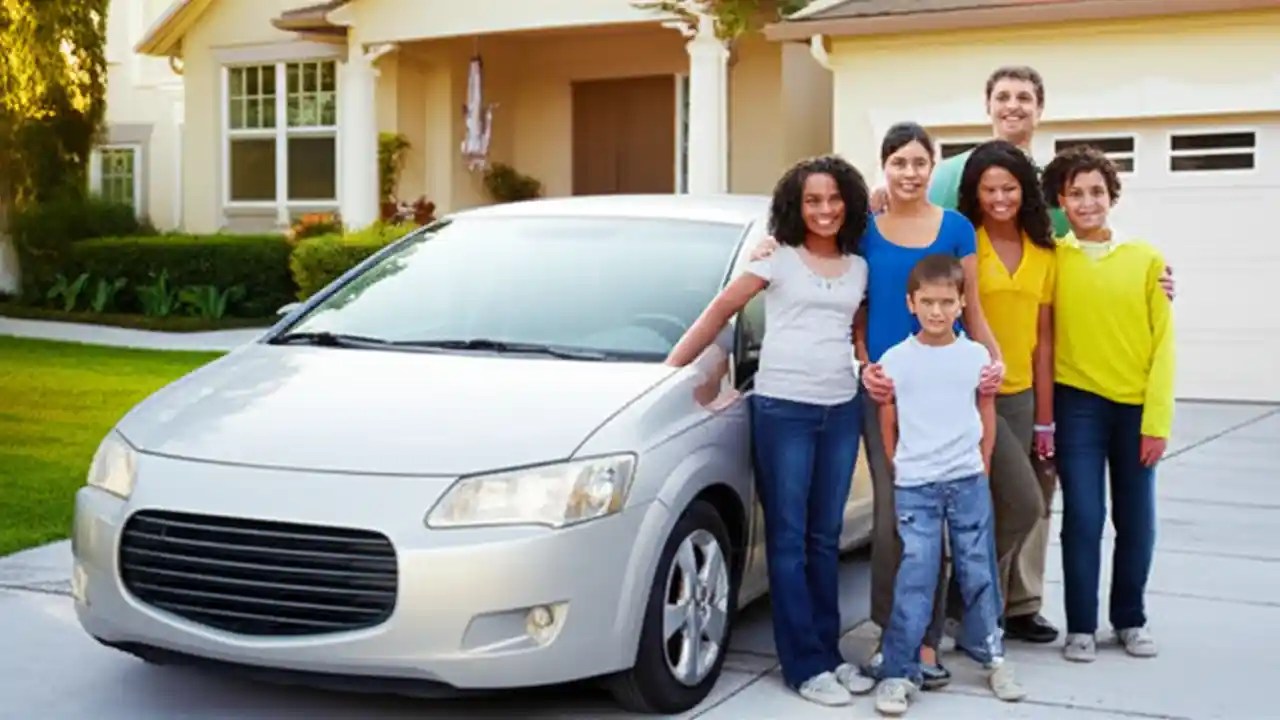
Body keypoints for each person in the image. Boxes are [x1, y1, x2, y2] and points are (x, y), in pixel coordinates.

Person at [751, 123, 1007, 689]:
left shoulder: (958, 228)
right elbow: (848, 300)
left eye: (921, 162)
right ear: (884, 167)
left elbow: (975, 309)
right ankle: (898, 640)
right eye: (900, 162)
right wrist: (868, 363)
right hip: (884, 390)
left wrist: (994, 359)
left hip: (949, 384)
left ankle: (930, 639)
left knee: (965, 513)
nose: (911, 172)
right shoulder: (864, 228)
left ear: (932, 167)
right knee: (897, 520)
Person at [666, 155, 876, 705]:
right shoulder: (777, 259)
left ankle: (829, 655)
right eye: (813, 200)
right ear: (795, 206)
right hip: (785, 410)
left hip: (840, 409)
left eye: (834, 199)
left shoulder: (859, 267)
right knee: (788, 539)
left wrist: (869, 366)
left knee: (824, 539)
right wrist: (667, 374)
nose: (825, 210)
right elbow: (718, 313)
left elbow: (855, 334)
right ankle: (803, 666)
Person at [870, 253, 1026, 716]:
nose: (936, 312)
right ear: (910, 303)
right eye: (927, 302)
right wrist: (899, 463)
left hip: (966, 480)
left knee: (978, 570)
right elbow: (888, 420)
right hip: (916, 484)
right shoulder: (895, 360)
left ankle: (994, 658)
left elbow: (986, 411)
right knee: (917, 574)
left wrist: (982, 462)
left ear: (962, 303)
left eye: (946, 302)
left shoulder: (976, 357)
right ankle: (899, 670)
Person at [1041, 145, 1174, 663]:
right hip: (1078, 406)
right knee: (1084, 516)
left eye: (1097, 191)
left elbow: (1164, 343)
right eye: (1076, 193)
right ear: (1062, 200)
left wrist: (1157, 421)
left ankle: (1130, 620)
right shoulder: (1054, 258)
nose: (1087, 201)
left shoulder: (1147, 260)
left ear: (1111, 196)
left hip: (1136, 408)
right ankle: (1080, 625)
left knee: (1136, 520)